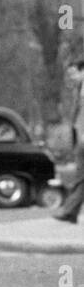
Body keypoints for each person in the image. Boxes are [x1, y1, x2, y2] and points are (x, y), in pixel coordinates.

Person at [52, 59, 84, 222]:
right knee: (80, 177)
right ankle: (71, 211)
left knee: (80, 177)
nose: (70, 77)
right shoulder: (78, 91)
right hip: (81, 139)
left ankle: (70, 211)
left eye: (73, 73)